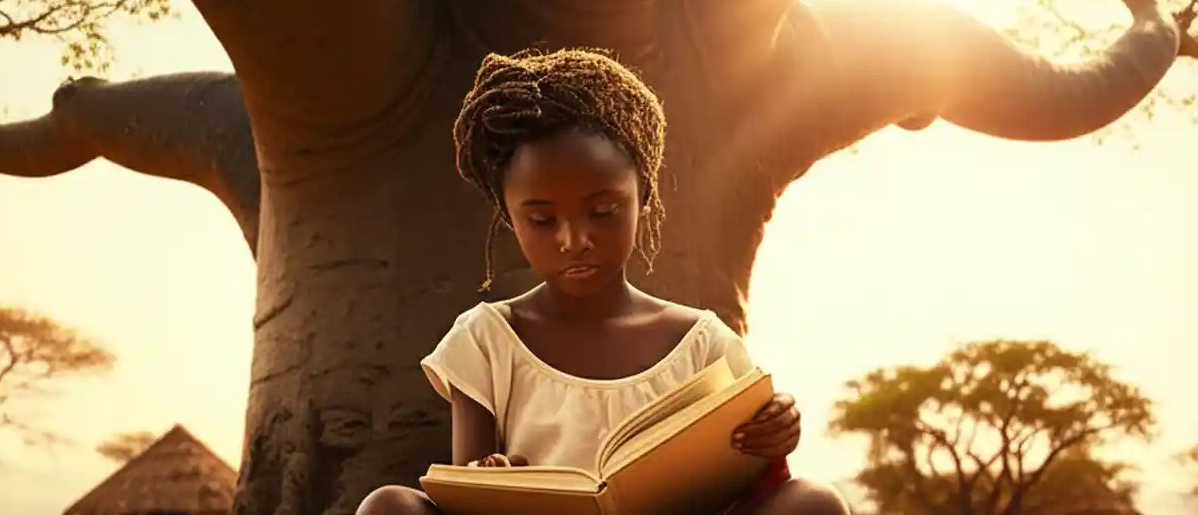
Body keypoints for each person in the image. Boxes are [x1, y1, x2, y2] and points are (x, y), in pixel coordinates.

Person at [357, 49, 850, 515]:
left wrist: (774, 432)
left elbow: (746, 485)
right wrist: (494, 478)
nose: (575, 240)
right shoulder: (486, 339)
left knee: (814, 502)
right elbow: (463, 493)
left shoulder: (704, 345)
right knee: (389, 507)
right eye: (542, 220)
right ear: (510, 219)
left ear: (644, 198)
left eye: (603, 211)